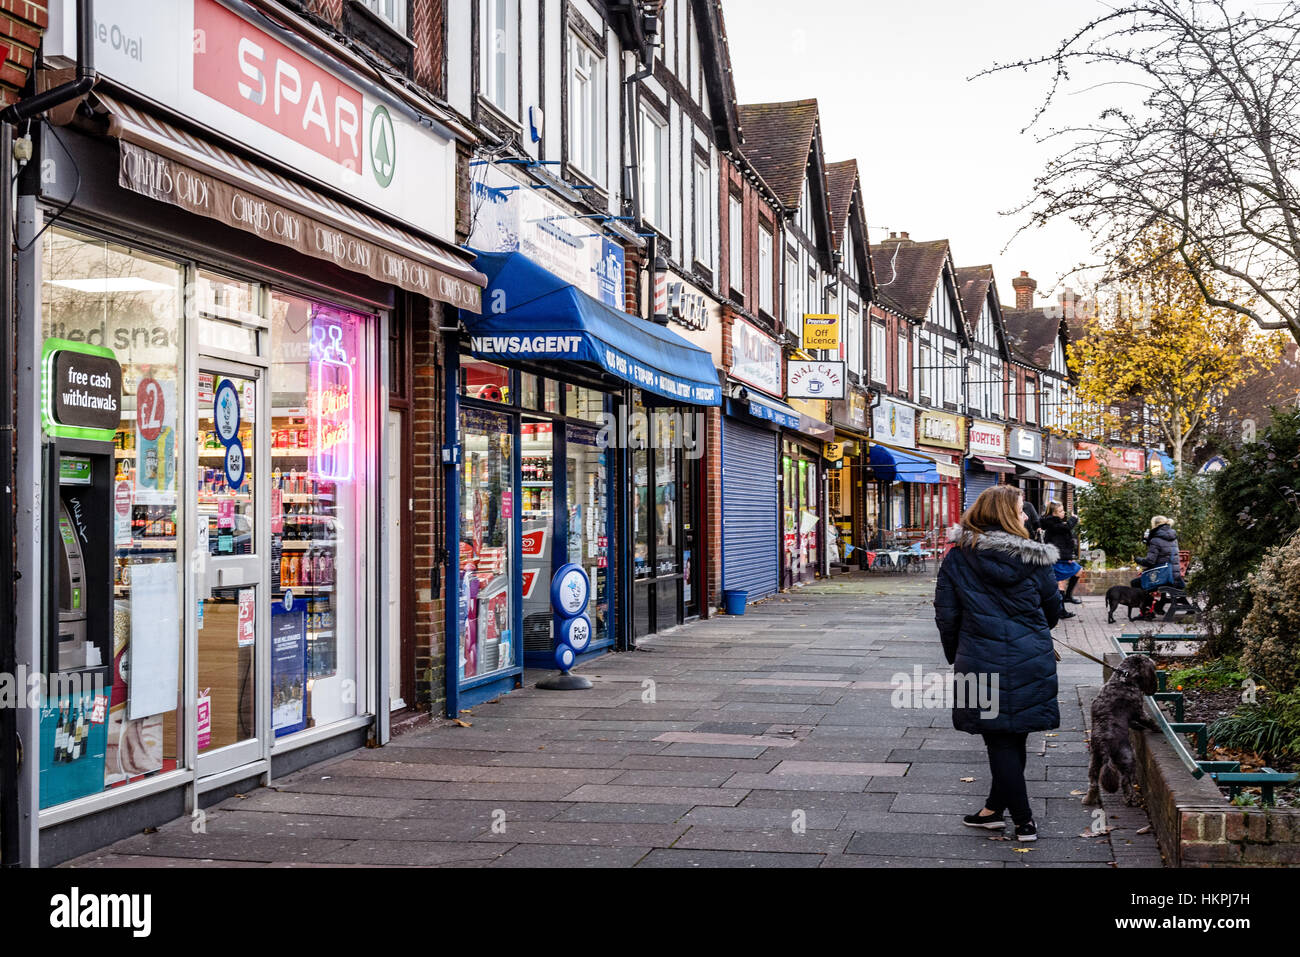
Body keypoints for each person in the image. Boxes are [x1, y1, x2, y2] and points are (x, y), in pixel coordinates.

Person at [934, 485, 1062, 842]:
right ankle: (995, 810)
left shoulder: (959, 557)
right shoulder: (1035, 557)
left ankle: (1022, 820)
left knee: (1001, 740)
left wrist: (957, 653)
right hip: (1029, 657)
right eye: (1021, 510)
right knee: (1013, 738)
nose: (1026, 516)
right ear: (1006, 515)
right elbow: (1053, 610)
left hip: (979, 659)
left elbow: (947, 615)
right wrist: (1031, 630)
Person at [1132, 515, 1183, 618]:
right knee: (1143, 580)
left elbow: (1150, 561)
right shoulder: (1173, 537)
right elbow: (1163, 554)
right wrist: (1148, 542)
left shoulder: (1155, 539)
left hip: (1164, 576)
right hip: (1174, 575)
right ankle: (1157, 607)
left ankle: (1147, 611)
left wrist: (1137, 559)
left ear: (1154, 525)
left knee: (1135, 583)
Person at [1040, 501, 1083, 616]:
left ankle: (1067, 598)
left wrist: (1069, 556)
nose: (1063, 512)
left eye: (1063, 510)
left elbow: (1064, 541)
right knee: (1060, 583)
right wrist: (1074, 518)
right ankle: (1061, 610)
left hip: (1062, 556)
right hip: (1057, 558)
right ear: (1054, 513)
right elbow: (1067, 529)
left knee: (1078, 571)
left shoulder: (1056, 523)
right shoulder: (1053, 524)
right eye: (1060, 511)